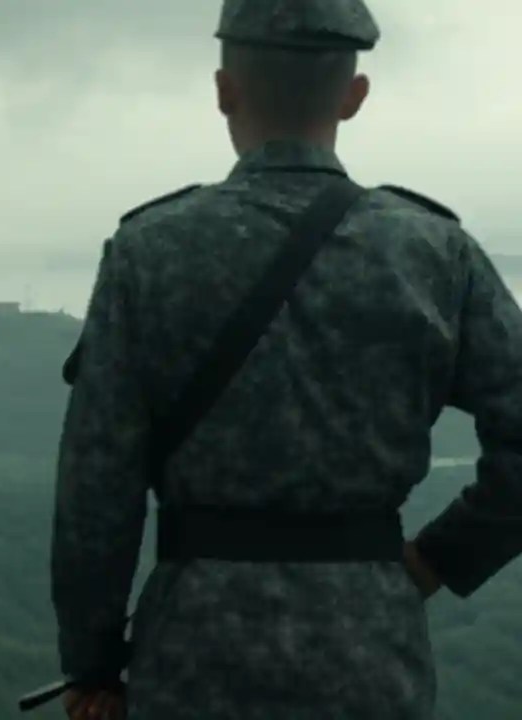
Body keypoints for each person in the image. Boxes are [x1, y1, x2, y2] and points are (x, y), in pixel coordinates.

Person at [50, 0, 522, 718]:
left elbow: (96, 488)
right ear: (354, 97)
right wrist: (439, 559)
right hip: (371, 653)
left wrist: (91, 666)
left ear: (223, 91)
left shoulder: (149, 251)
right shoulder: (434, 252)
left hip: (193, 653)